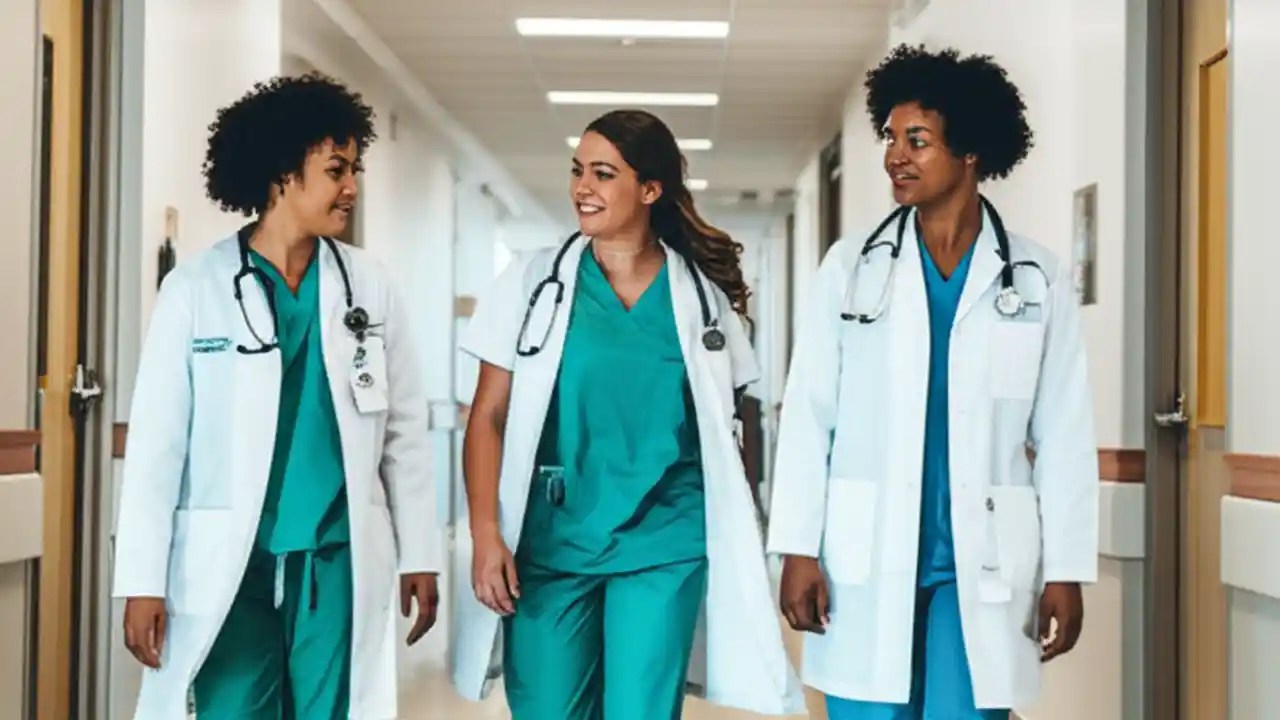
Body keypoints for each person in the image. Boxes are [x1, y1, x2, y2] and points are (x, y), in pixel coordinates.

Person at [766, 44, 1100, 719]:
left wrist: (1067, 569)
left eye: (917, 140)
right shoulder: (850, 269)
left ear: (970, 150)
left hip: (978, 563)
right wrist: (797, 546)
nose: (896, 156)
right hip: (866, 556)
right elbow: (809, 415)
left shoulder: (1036, 278)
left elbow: (1065, 432)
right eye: (891, 138)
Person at [451, 109, 805, 719]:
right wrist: (485, 533)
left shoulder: (702, 299)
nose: (582, 188)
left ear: (649, 189)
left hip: (664, 541)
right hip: (551, 541)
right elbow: (488, 417)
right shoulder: (531, 284)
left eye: (603, 173)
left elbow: (726, 430)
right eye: (577, 171)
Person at [112, 72, 441, 720]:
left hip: (334, 556)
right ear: (282, 175)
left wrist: (421, 554)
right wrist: (142, 579)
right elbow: (157, 446)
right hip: (230, 561)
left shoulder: (369, 286)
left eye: (354, 169)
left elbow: (404, 432)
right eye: (336, 170)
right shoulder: (196, 289)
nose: (352, 187)